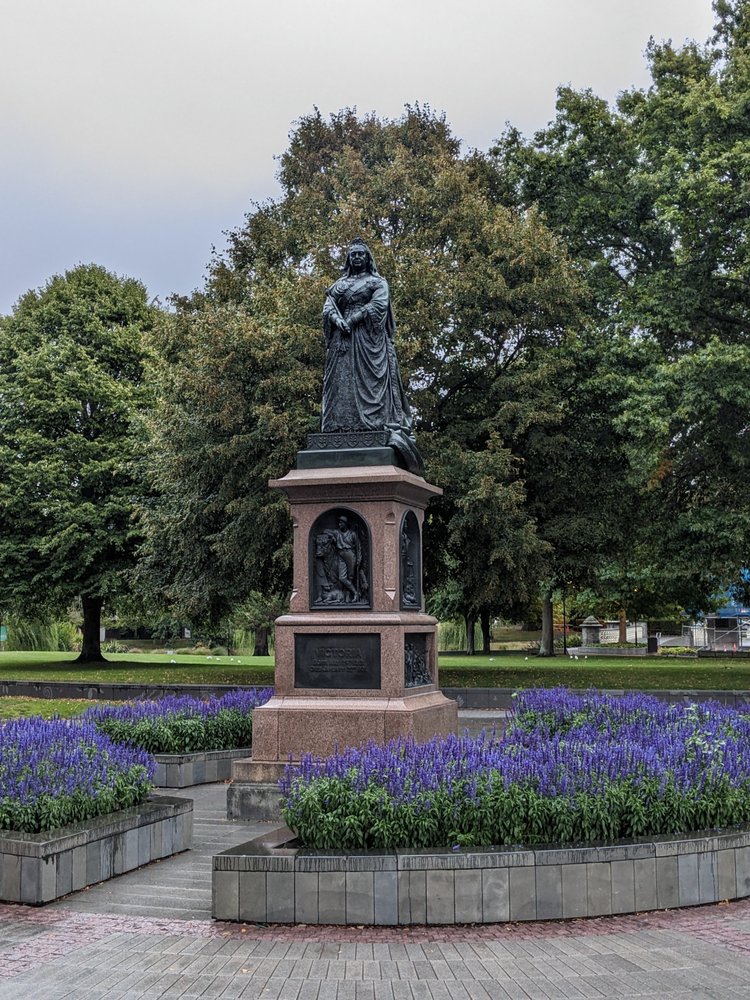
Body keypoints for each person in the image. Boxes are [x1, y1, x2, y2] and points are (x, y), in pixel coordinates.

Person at [321, 238, 423, 475]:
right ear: (348, 259)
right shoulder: (338, 284)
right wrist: (337, 320)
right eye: (353, 254)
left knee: (369, 382)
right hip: (342, 342)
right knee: (338, 384)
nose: (357, 258)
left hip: (367, 341)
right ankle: (339, 427)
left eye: (360, 254)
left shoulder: (377, 282)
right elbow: (328, 307)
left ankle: (373, 424)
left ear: (367, 259)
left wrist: (353, 319)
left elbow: (379, 306)